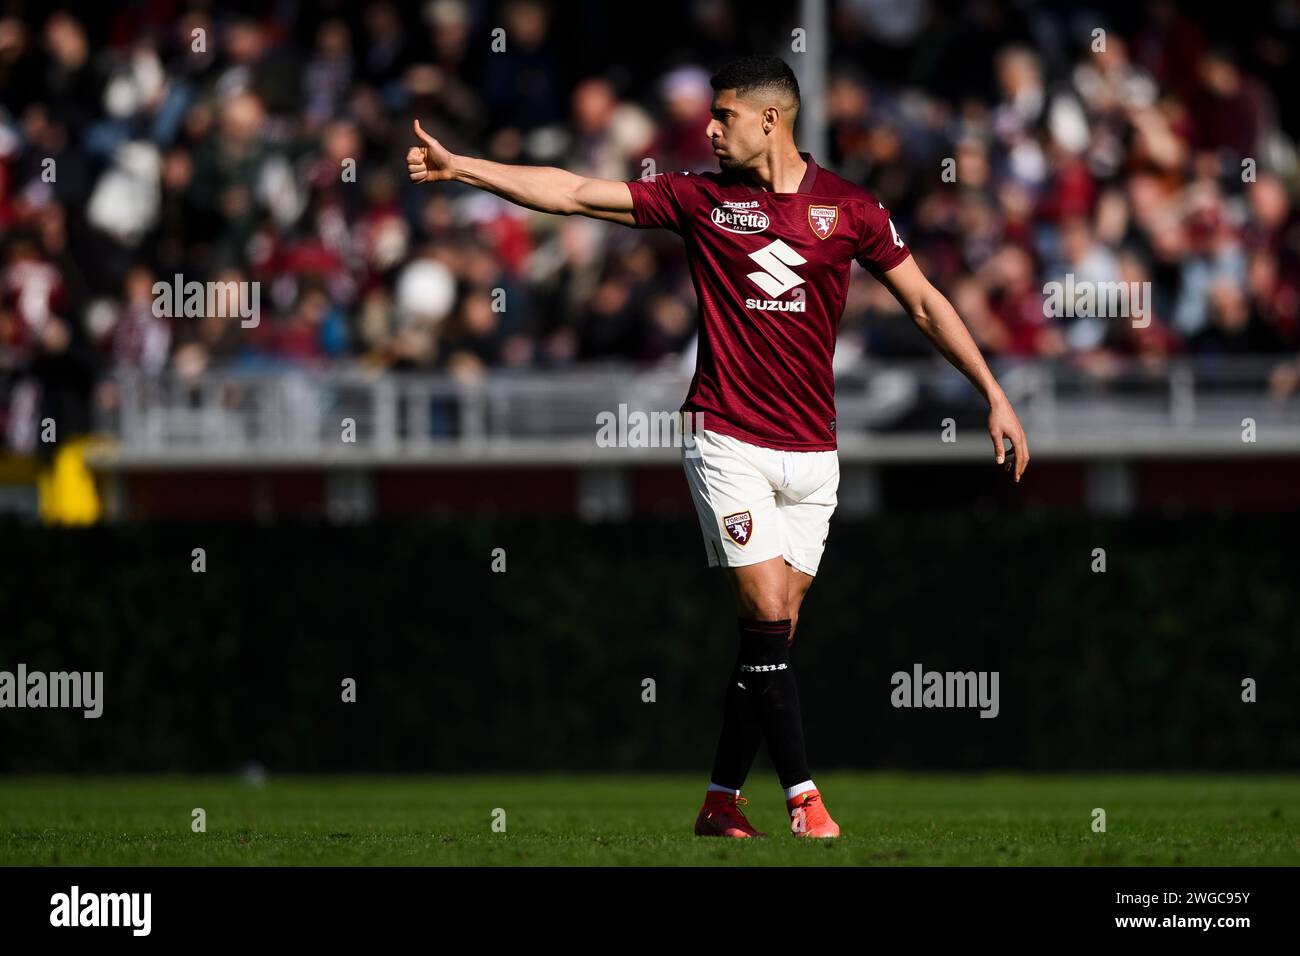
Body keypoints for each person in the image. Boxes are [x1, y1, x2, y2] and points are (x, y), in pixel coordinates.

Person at [407, 54, 1030, 838]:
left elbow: (927, 305)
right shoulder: (700, 197)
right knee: (767, 612)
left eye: (723, 115)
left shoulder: (851, 210)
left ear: (770, 120)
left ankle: (719, 801)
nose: (708, 128)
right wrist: (464, 167)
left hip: (815, 455)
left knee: (772, 639)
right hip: (725, 435)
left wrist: (994, 394)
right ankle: (806, 801)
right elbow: (570, 192)